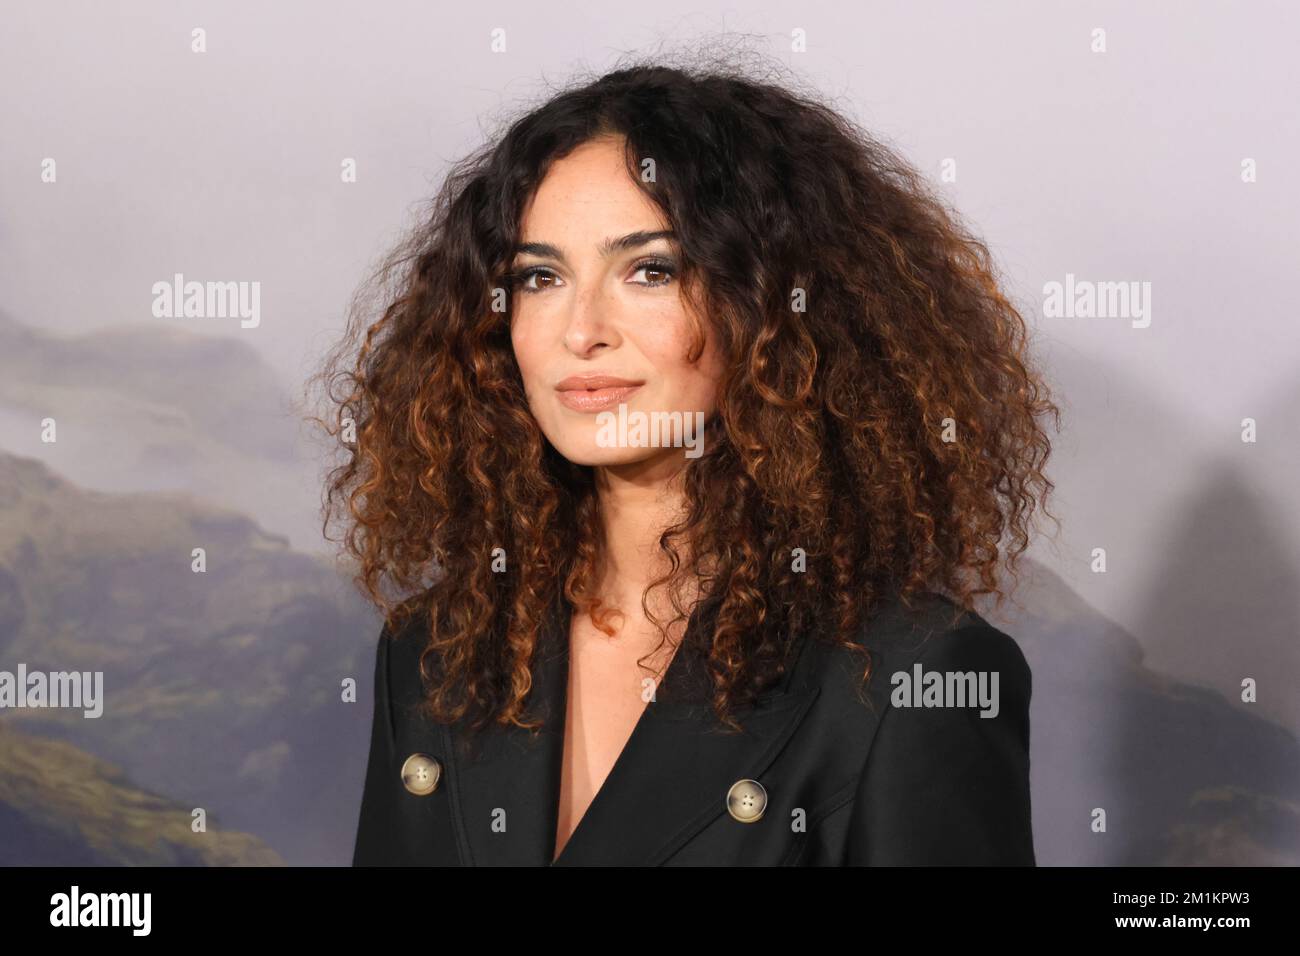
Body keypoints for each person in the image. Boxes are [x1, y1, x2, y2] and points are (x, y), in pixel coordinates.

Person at [315, 58, 1059, 866]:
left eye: (650, 270)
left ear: (771, 307)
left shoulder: (913, 678)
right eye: (540, 276)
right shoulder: (436, 648)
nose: (581, 330)